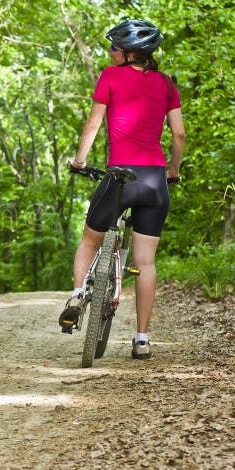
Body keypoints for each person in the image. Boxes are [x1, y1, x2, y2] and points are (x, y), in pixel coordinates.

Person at [58, 19, 186, 360]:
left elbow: (93, 122)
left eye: (113, 47)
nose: (109, 52)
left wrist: (80, 160)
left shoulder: (110, 76)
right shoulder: (166, 84)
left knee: (90, 238)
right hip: (155, 182)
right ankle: (142, 338)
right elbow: (179, 135)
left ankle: (75, 295)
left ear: (128, 53)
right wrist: (173, 170)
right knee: (146, 262)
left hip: (120, 177)